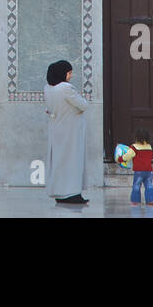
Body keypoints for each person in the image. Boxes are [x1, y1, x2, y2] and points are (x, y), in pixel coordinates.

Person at [44, 59, 91, 205]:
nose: (70, 76)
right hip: (71, 132)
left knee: (59, 162)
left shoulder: (48, 88)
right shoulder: (65, 88)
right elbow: (83, 105)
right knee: (72, 161)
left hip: (57, 130)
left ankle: (60, 192)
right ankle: (73, 193)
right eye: (69, 73)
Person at [121, 128, 153, 206]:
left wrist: (120, 159)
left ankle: (135, 201)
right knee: (149, 186)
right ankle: (150, 201)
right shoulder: (149, 147)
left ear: (136, 137)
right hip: (149, 171)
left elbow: (127, 156)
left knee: (136, 185)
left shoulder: (134, 147)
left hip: (139, 171)